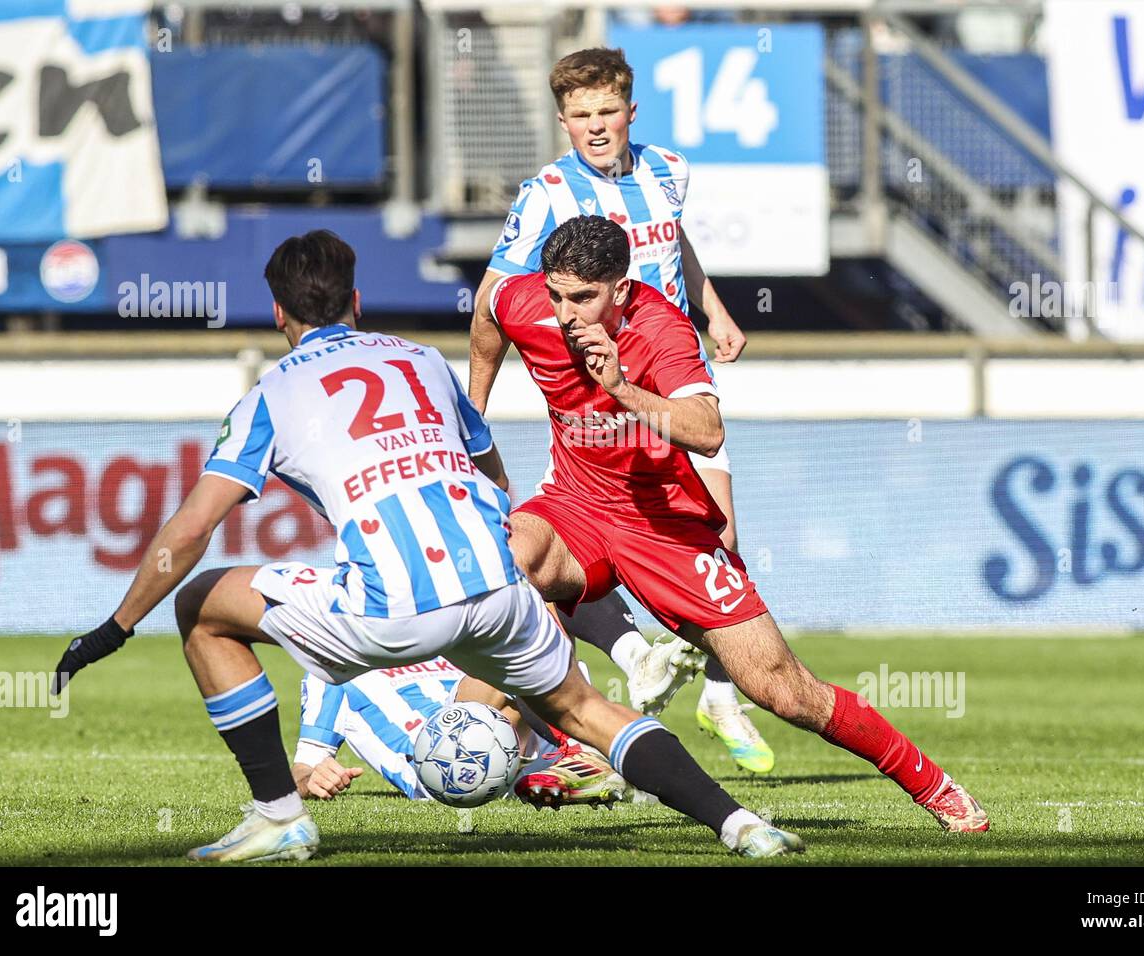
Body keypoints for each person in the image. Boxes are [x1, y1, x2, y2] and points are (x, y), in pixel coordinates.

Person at [51, 229, 802, 861]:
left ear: (278, 311)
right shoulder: (421, 361)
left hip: (394, 612)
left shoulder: (268, 395)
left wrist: (113, 629)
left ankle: (279, 815)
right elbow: (489, 468)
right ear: (356, 301)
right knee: (582, 709)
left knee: (201, 606)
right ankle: (742, 826)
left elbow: (188, 531)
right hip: (502, 587)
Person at [482, 215, 990, 834]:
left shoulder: (661, 328)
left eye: (582, 298)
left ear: (620, 288)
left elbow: (706, 429)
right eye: (557, 295)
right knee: (502, 570)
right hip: (576, 505)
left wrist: (621, 389)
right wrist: (473, 422)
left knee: (783, 691)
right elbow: (489, 317)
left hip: (665, 526)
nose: (564, 313)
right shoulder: (524, 299)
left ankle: (931, 784)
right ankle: (571, 746)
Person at [469, 47, 774, 773]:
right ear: (563, 120)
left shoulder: (670, 169)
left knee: (720, 540)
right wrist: (473, 412)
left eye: (607, 112)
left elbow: (676, 243)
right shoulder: (545, 193)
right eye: (580, 116)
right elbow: (492, 301)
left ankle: (721, 694)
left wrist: (714, 311)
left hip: (670, 387)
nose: (596, 127)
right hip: (595, 406)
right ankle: (613, 679)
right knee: (581, 558)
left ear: (630, 111)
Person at [294, 659, 629, 810]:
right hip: (445, 767)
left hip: (531, 746)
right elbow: (300, 772)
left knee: (545, 655)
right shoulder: (332, 667)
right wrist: (311, 779)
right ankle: (583, 749)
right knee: (521, 655)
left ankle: (618, 763)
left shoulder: (446, 639)